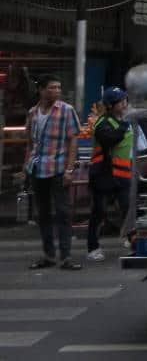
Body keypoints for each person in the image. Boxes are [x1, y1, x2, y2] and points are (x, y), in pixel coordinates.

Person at [25, 75, 82, 270]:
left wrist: (70, 169)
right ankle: (49, 255)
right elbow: (30, 142)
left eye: (58, 88)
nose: (56, 91)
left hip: (58, 168)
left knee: (63, 212)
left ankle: (66, 256)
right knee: (43, 214)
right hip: (37, 168)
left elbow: (74, 139)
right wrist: (27, 166)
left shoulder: (66, 110)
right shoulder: (32, 113)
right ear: (40, 90)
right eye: (52, 88)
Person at [88, 87, 141, 262]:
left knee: (127, 210)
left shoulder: (127, 121)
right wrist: (126, 123)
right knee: (99, 211)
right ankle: (93, 247)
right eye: (121, 101)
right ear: (110, 105)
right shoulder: (103, 123)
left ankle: (135, 245)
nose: (125, 103)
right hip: (103, 174)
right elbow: (109, 139)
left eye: (125, 99)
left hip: (123, 174)